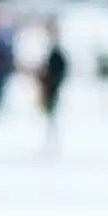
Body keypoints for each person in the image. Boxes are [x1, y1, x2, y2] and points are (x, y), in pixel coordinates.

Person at [38, 20, 69, 151]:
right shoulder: (53, 50)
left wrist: (52, 80)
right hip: (50, 85)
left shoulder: (56, 51)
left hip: (52, 86)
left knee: (52, 114)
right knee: (50, 115)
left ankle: (53, 142)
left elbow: (61, 69)